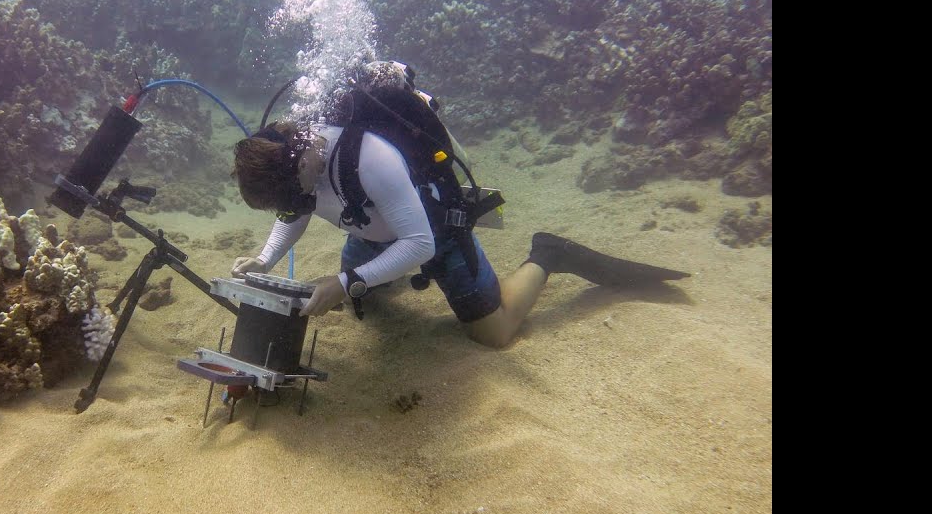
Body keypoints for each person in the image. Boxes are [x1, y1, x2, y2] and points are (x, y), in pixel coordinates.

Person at [229, 61, 688, 348]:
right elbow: (293, 211)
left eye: (293, 196)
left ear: (300, 163)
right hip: (369, 234)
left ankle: (548, 254)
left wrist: (347, 279)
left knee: (494, 333)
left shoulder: (370, 159)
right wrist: (266, 258)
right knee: (365, 301)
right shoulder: (296, 166)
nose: (293, 207)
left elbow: (419, 243)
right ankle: (365, 277)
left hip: (432, 235)